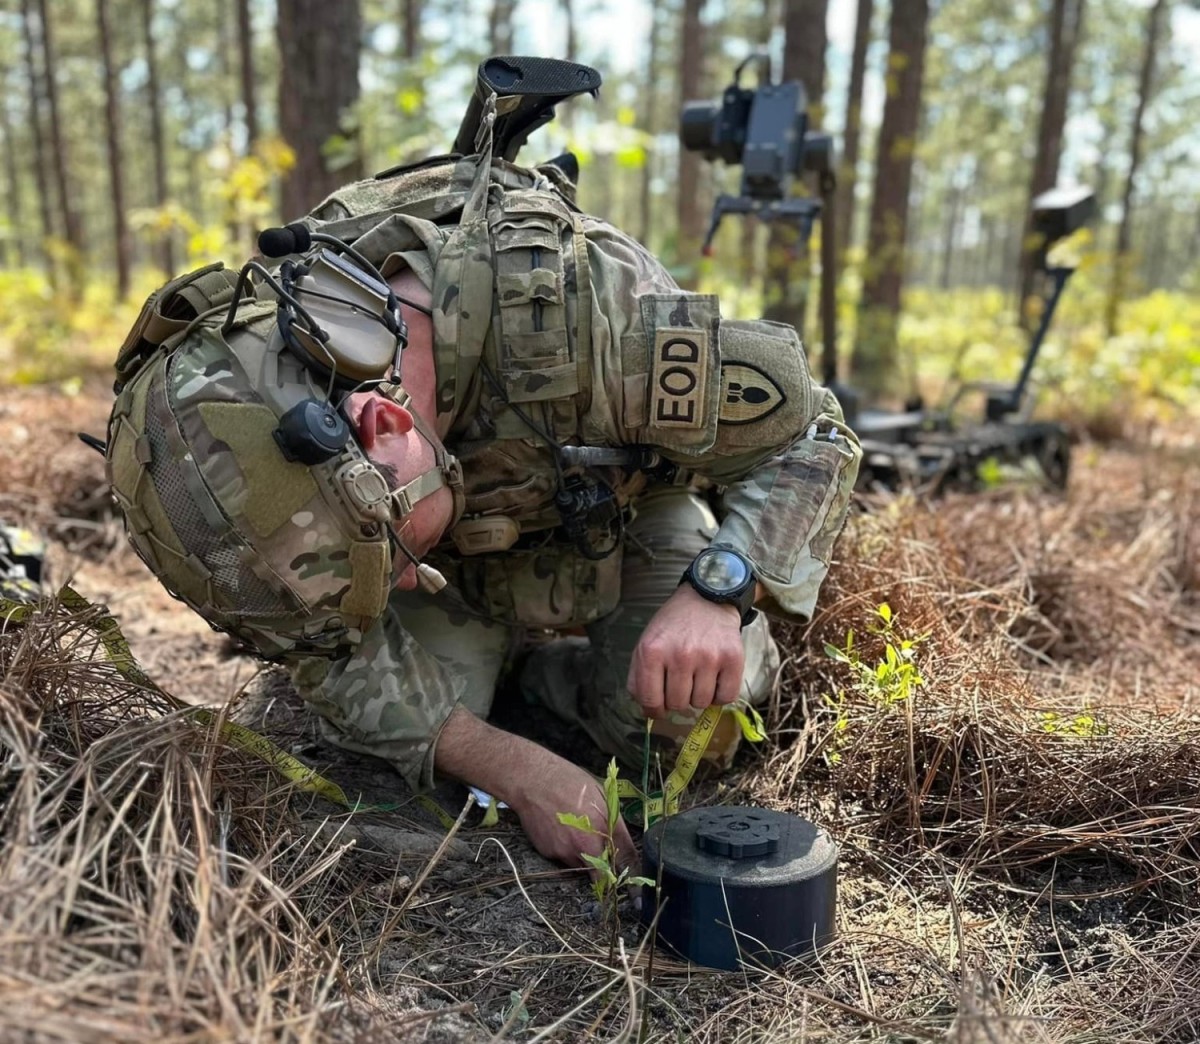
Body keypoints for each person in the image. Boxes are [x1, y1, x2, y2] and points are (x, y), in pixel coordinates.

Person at [103, 93, 861, 872]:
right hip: (466, 560)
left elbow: (816, 433)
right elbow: (325, 648)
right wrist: (510, 764)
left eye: (386, 557)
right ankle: (516, 673)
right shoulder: (242, 407)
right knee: (396, 734)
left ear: (387, 428)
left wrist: (720, 586)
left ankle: (554, 674)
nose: (400, 583)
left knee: (688, 723)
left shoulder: (598, 329)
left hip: (621, 519)